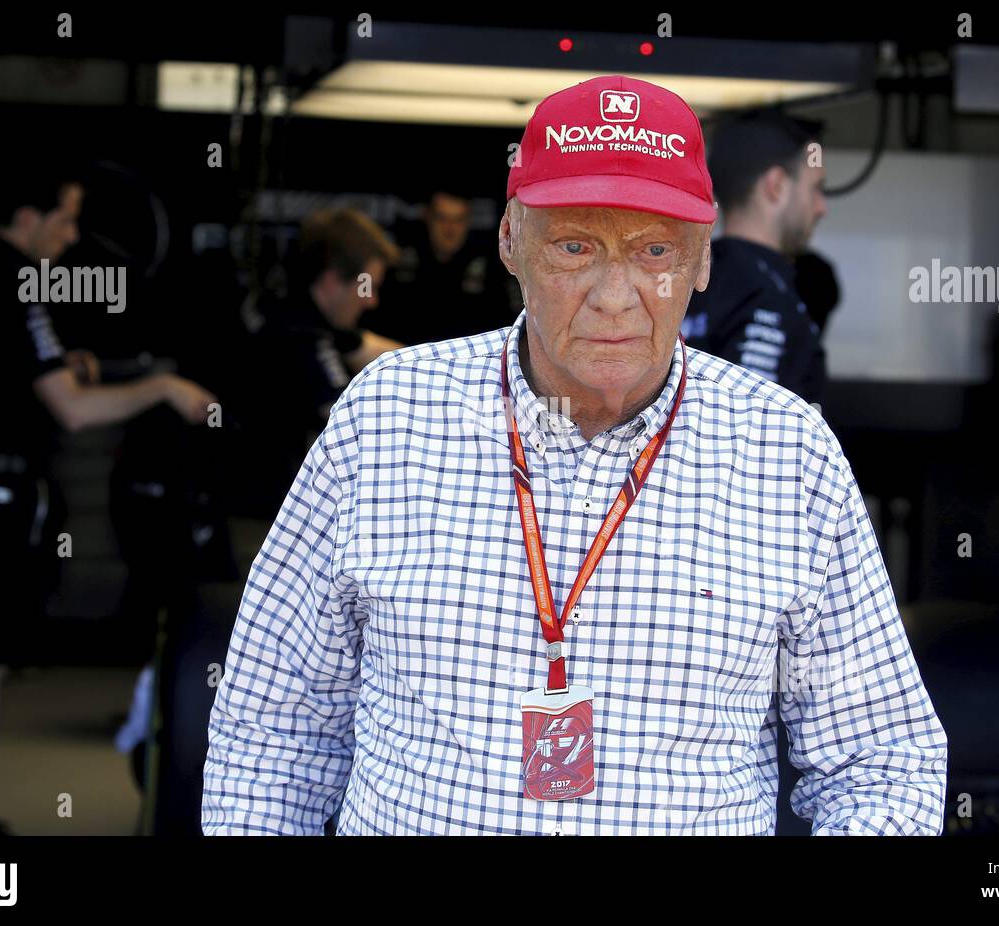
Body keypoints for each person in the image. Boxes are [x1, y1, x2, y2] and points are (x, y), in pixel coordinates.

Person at [202, 75, 947, 835]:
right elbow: (274, 728)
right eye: (574, 245)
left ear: (703, 260)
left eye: (655, 249)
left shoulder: (788, 453)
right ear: (510, 242)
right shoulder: (386, 420)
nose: (616, 295)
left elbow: (880, 761)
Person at [0, 167, 218, 835]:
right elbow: (73, 410)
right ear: (26, 216)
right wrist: (164, 387)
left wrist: (65, 364)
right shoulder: (17, 289)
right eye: (64, 218)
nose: (72, 234)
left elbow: (4, 369)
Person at [244, 208, 402, 516]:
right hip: (252, 515)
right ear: (331, 282)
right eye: (367, 287)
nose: (372, 301)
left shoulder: (290, 308)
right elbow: (351, 422)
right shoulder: (301, 337)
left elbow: (370, 348)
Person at [682, 110, 828, 406]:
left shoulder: (686, 276)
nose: (821, 207)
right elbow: (748, 416)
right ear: (776, 186)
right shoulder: (766, 294)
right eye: (815, 189)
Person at [361, 190, 519, 346]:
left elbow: (508, 323)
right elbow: (367, 303)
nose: (449, 229)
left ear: (468, 221)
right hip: (401, 355)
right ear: (427, 217)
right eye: (441, 218)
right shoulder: (399, 257)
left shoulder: (491, 264)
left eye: (458, 220)